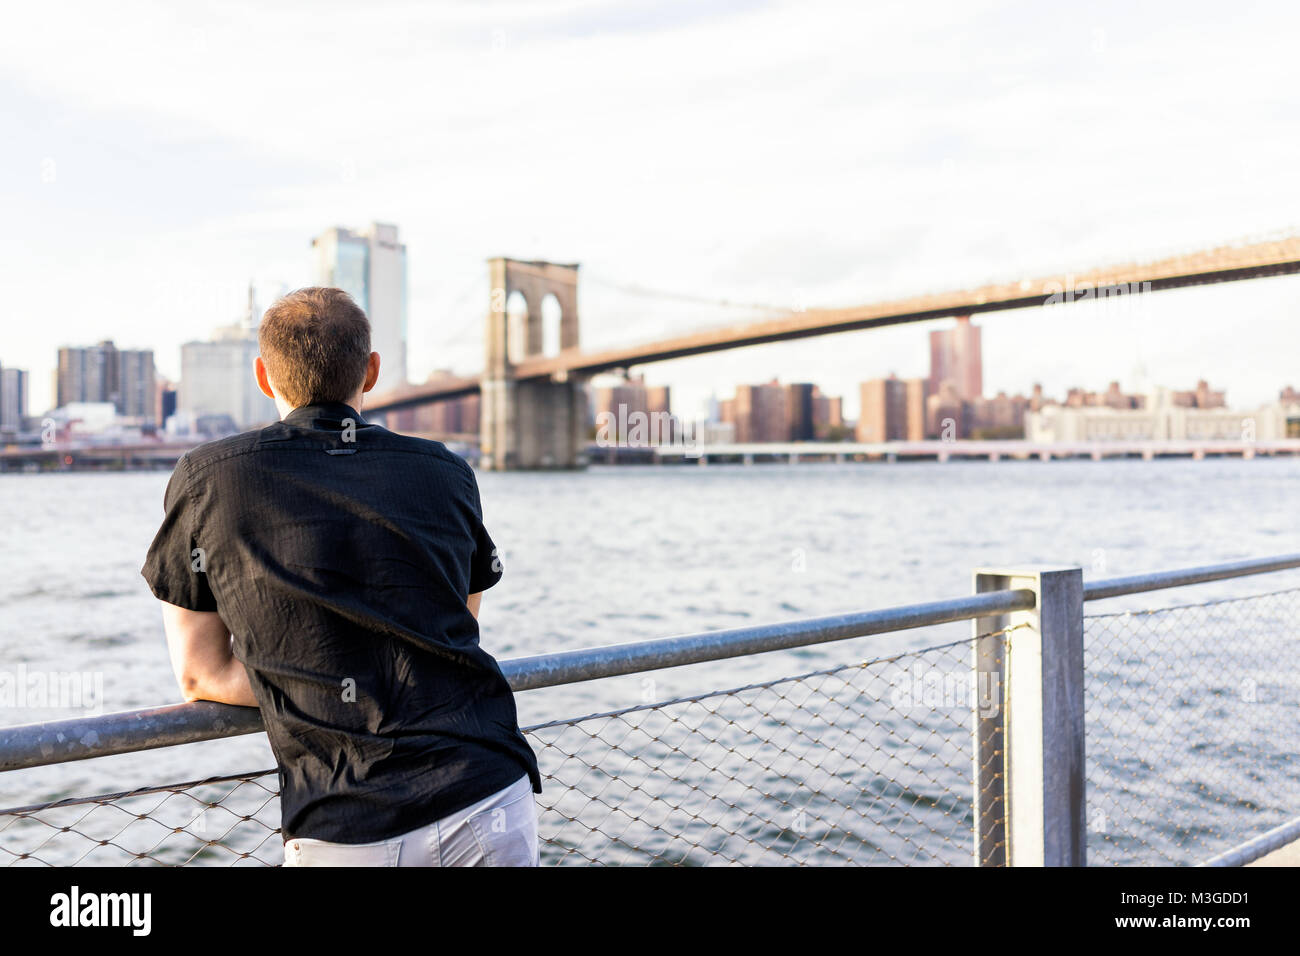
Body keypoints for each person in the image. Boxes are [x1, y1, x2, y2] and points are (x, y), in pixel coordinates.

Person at [141, 287, 541, 867]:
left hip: (343, 825)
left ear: (263, 375)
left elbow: (201, 675)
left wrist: (326, 685)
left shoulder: (207, 479)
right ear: (372, 371)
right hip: (486, 796)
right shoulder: (447, 472)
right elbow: (452, 637)